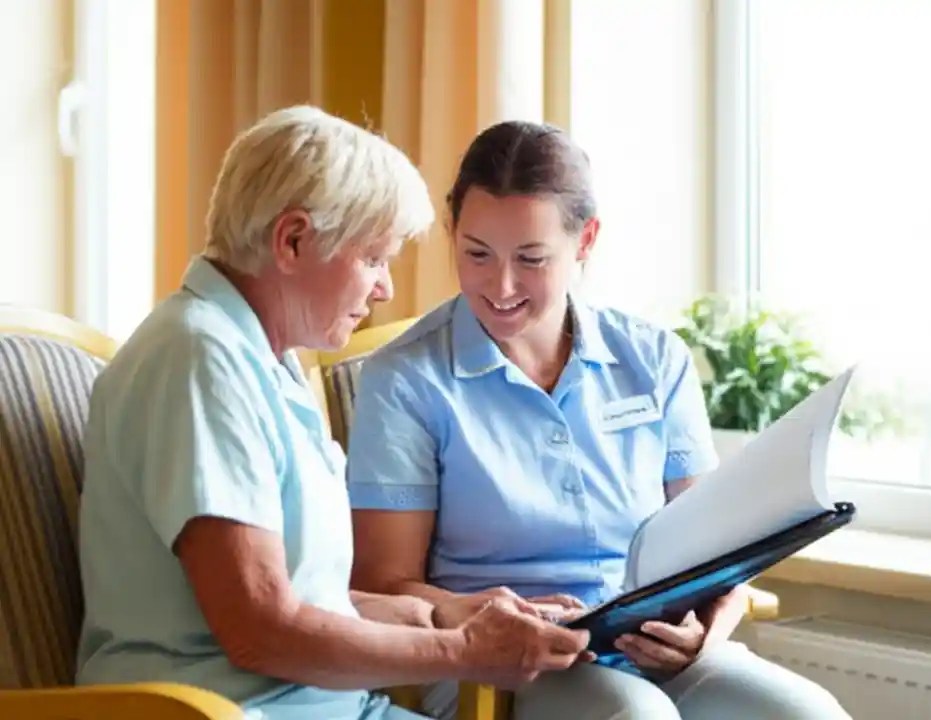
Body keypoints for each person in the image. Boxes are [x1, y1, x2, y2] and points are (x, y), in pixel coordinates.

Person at [75, 106, 589, 720]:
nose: (385, 290)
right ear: (292, 241)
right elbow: (258, 628)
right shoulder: (196, 359)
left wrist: (445, 611)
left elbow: (294, 598)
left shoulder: (262, 361)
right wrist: (462, 650)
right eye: (373, 258)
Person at [345, 120, 850, 720]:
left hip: (657, 649)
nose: (500, 285)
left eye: (531, 258)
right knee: (633, 716)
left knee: (808, 715)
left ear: (585, 241)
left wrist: (705, 634)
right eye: (476, 253)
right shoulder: (405, 380)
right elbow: (383, 587)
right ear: (452, 230)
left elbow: (719, 548)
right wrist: (491, 617)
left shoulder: (655, 359)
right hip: (497, 662)